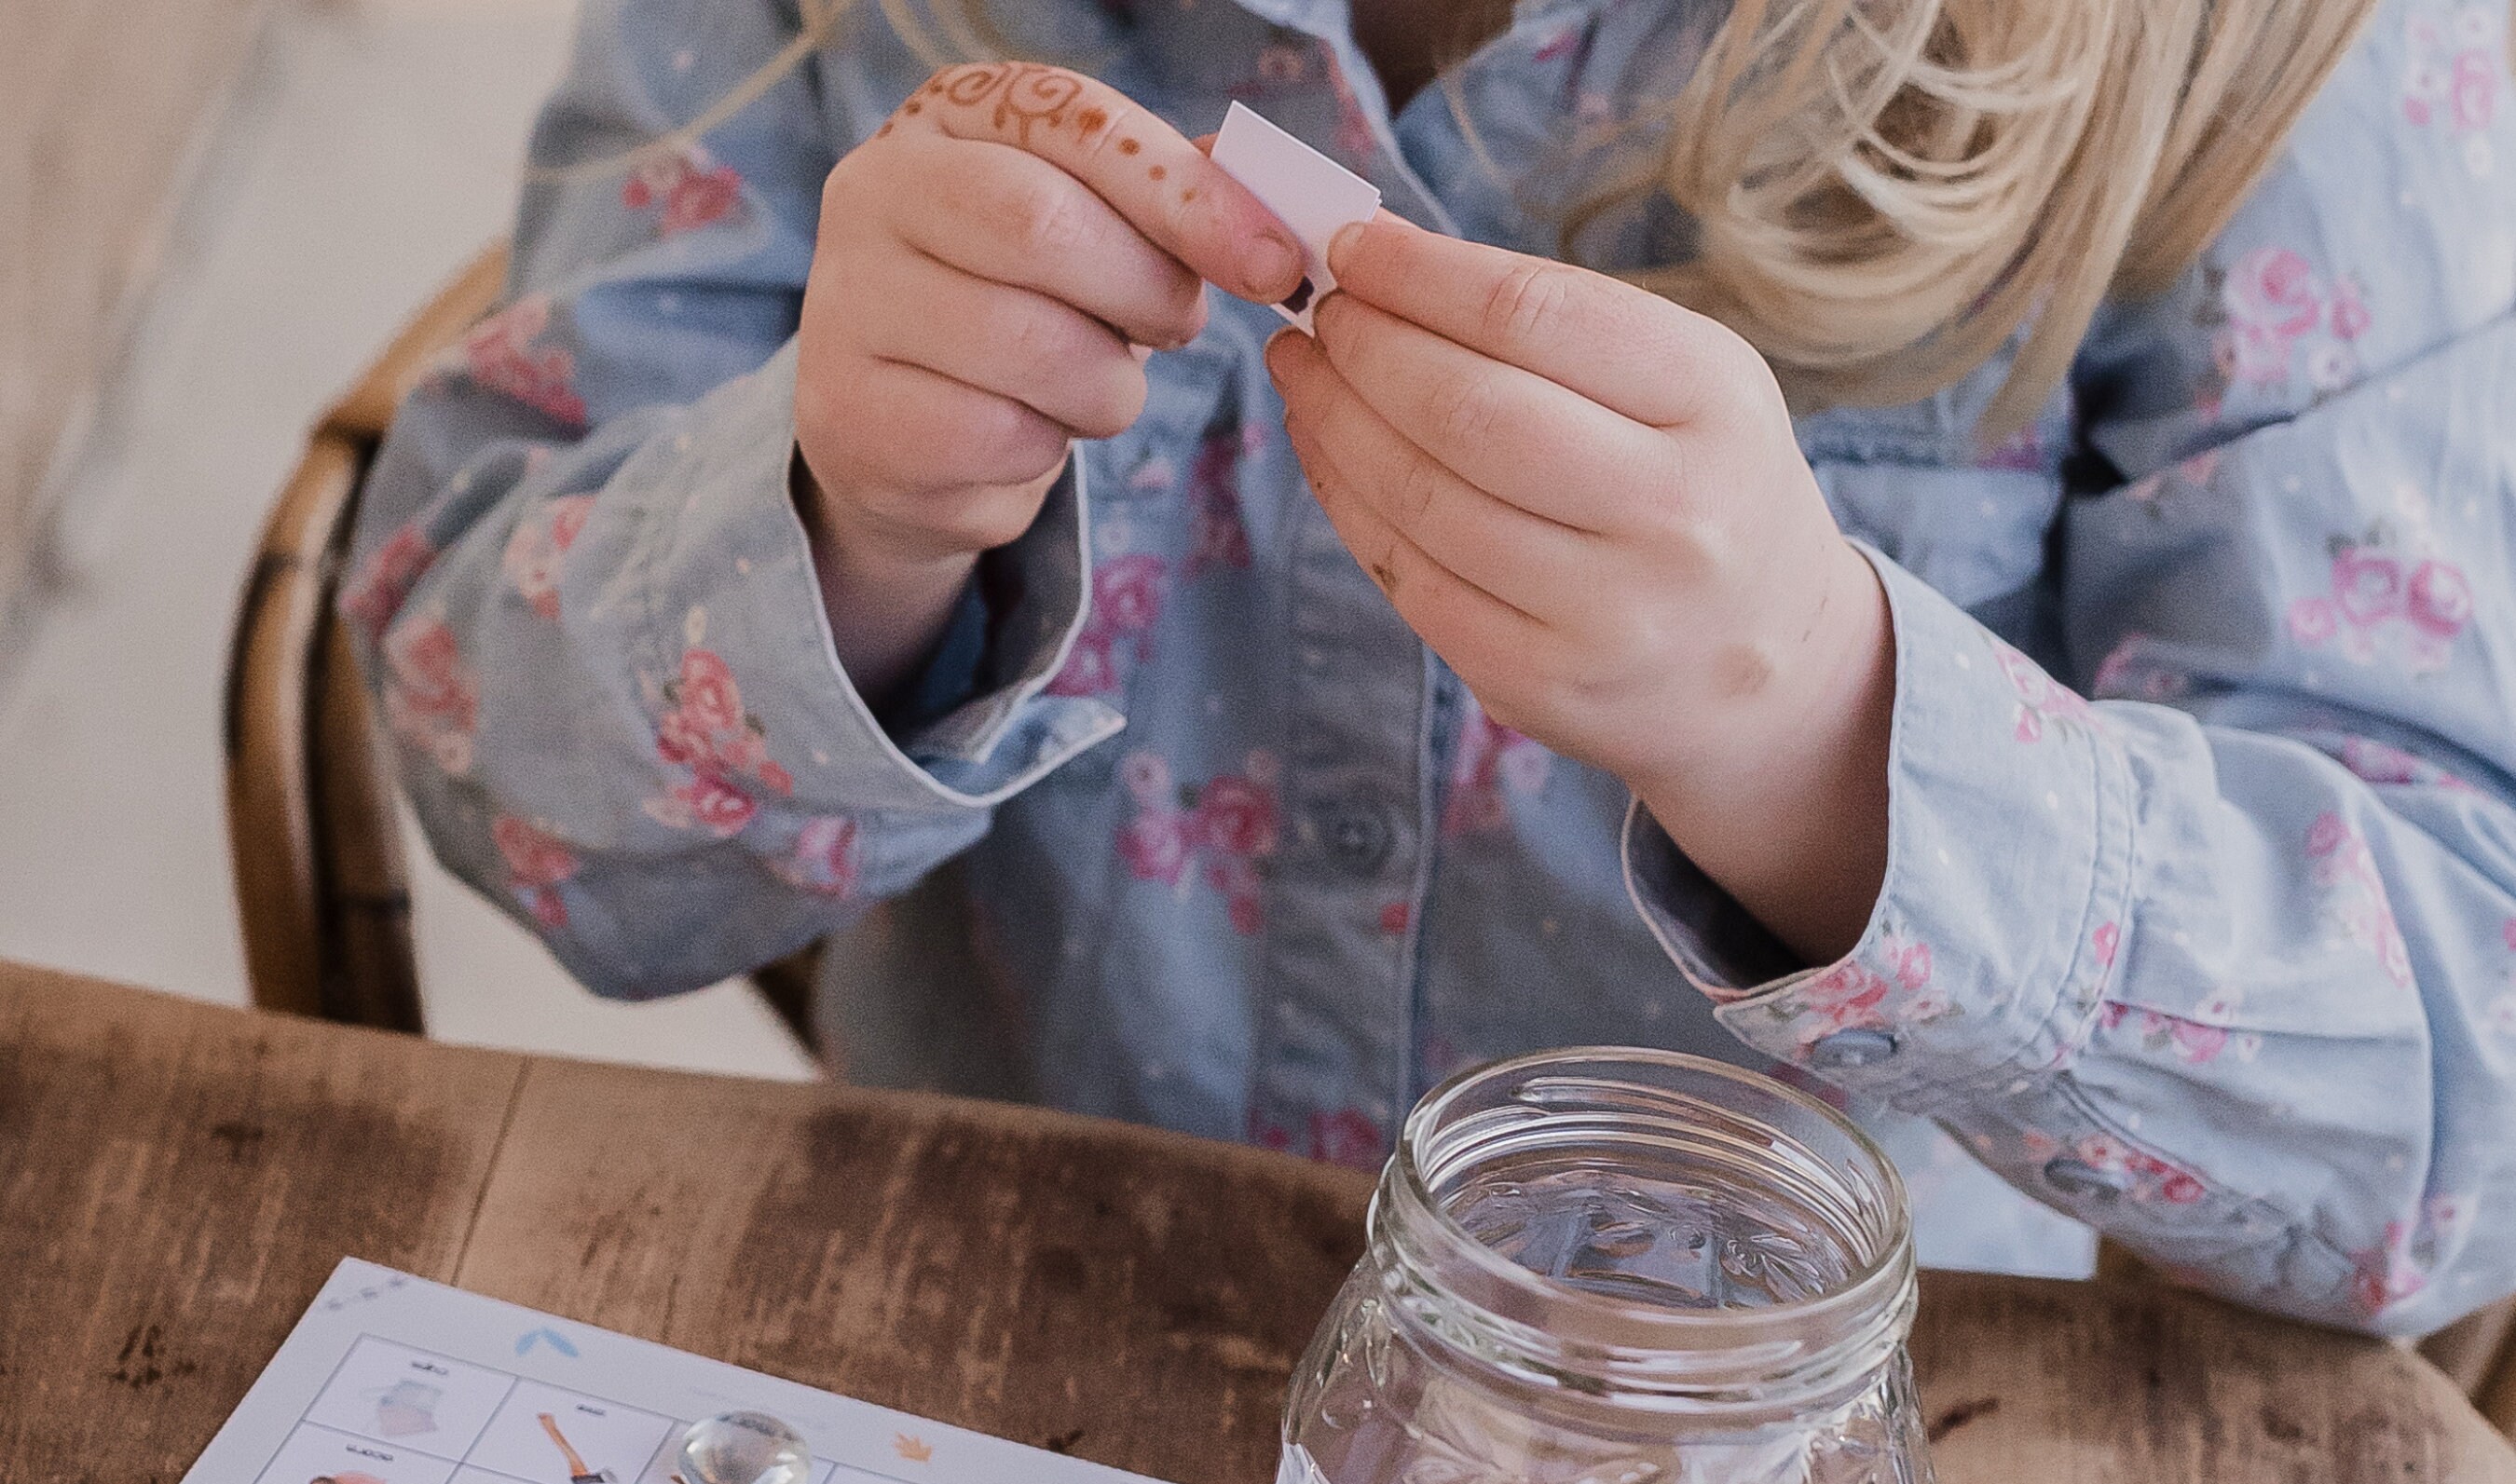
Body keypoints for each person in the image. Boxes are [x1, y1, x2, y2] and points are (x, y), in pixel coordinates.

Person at [348, 0, 2516, 1333]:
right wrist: (842, 526)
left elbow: (2458, 1096)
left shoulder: (2289, 63)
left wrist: (1831, 739)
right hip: (988, 1393)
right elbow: (468, 715)